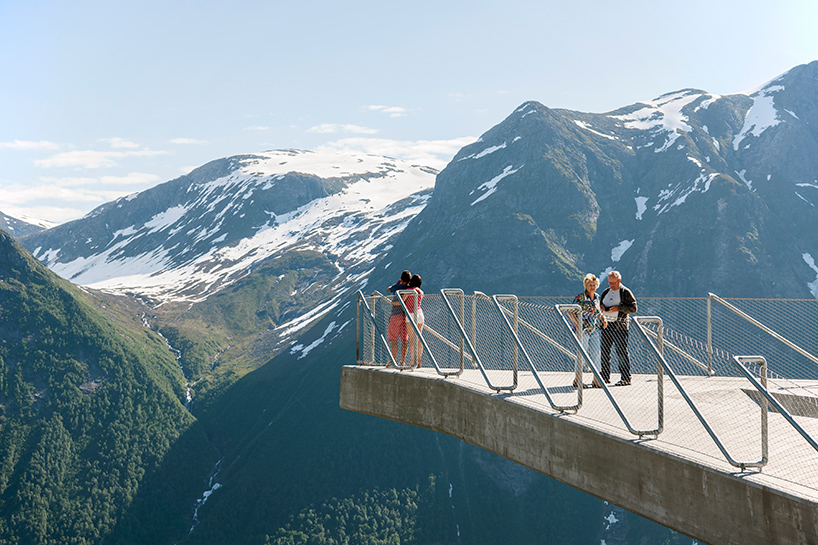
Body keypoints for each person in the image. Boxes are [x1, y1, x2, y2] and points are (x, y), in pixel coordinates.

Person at [599, 270, 638, 386]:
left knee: (621, 352)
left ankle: (626, 378)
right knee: (605, 352)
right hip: (606, 325)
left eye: (613, 283)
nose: (611, 285)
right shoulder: (606, 292)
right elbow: (600, 304)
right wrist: (602, 307)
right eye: (610, 283)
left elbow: (633, 308)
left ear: (619, 281)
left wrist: (619, 308)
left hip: (620, 327)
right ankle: (605, 377)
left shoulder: (625, 292)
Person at [571, 273, 607, 388]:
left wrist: (603, 318)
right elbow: (570, 311)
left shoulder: (597, 297)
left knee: (596, 354)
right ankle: (577, 379)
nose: (592, 287)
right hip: (583, 330)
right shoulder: (580, 297)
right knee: (581, 354)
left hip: (594, 329)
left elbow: (597, 311)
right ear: (586, 285)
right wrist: (578, 323)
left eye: (594, 285)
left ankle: (596, 379)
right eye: (590, 285)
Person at [386, 270, 411, 366]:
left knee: (394, 339)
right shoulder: (409, 289)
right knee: (404, 340)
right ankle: (402, 361)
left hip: (395, 315)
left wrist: (397, 283)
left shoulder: (397, 288)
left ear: (401, 278)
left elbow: (388, 289)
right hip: (405, 317)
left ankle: (394, 361)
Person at [404, 274, 424, 368]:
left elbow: (402, 300)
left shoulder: (409, 291)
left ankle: (413, 361)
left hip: (411, 314)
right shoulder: (420, 291)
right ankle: (419, 361)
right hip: (420, 314)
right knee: (419, 339)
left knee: (412, 339)